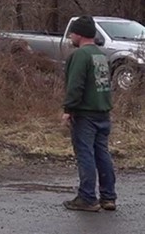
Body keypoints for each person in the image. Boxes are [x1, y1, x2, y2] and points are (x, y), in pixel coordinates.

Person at [61, 15, 117, 212]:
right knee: (102, 154)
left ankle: (87, 198)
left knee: (86, 154)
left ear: (79, 34)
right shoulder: (101, 55)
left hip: (85, 114)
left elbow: (75, 85)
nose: (70, 36)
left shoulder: (80, 56)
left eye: (72, 33)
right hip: (103, 112)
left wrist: (68, 109)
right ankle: (108, 197)